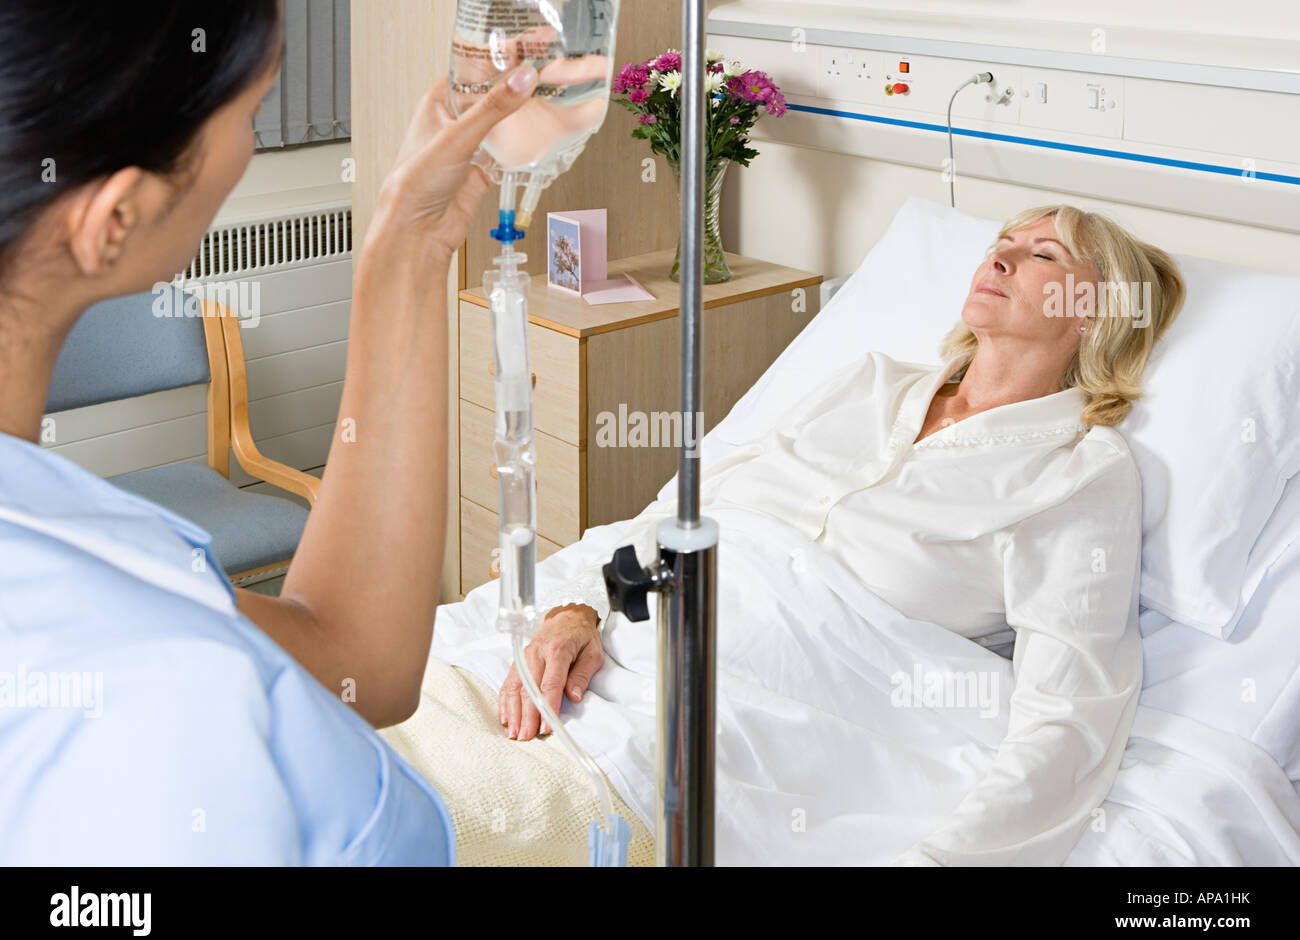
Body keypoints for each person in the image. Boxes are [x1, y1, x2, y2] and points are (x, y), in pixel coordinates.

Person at [452, 203, 1186, 865]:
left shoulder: (1078, 472)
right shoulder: (870, 382)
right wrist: (578, 607)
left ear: (1094, 311)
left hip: (737, 719)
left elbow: (1071, 710)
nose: (999, 258)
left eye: (1044, 256)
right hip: (617, 644)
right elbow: (689, 508)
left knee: (453, 828)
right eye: (1002, 242)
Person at [0, 0, 540, 864]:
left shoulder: (61, 543)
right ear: (116, 220)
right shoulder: (145, 676)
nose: (253, 146)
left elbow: (352, 656)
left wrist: (407, 246)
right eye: (249, 116)